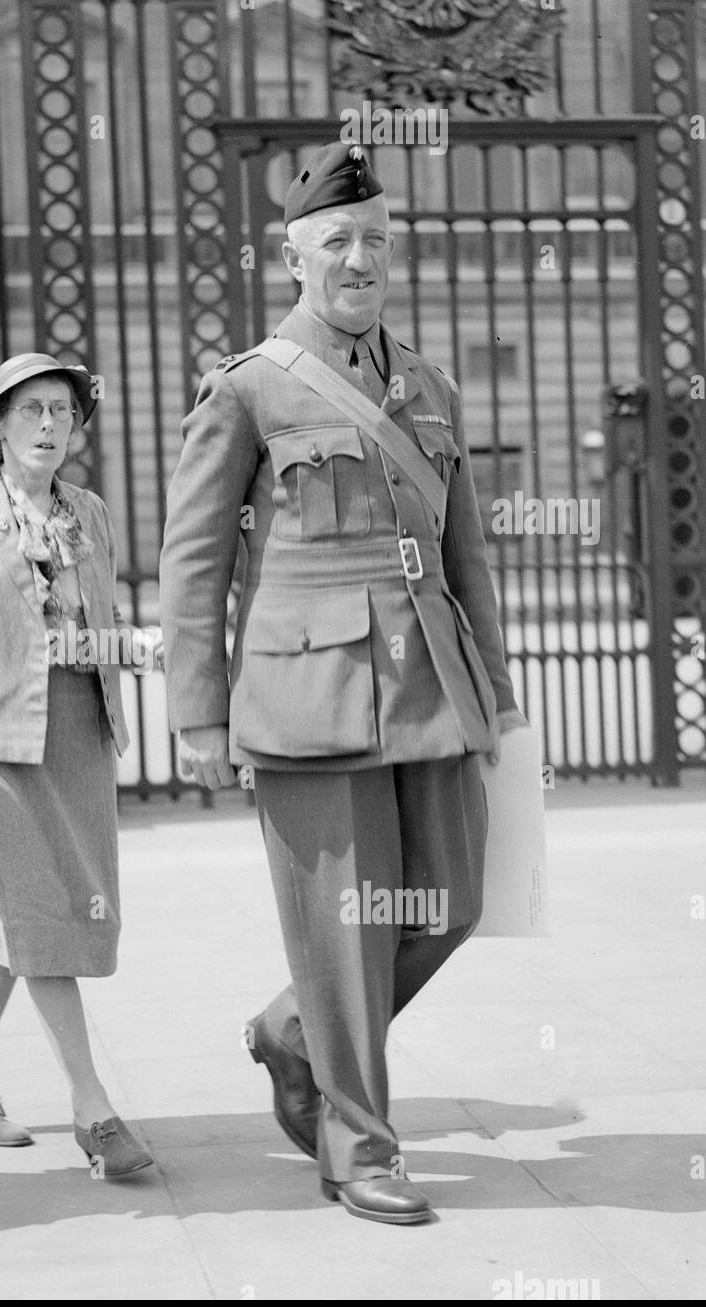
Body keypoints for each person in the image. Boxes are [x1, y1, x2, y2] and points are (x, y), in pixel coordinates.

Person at [159, 143, 527, 1224]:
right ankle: (358, 1146)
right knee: (344, 931)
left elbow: (467, 556)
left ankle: (289, 1031)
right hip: (307, 695)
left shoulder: (431, 383)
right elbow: (193, 559)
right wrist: (196, 711)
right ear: (293, 258)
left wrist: (493, 690)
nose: (357, 258)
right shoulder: (249, 389)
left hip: (431, 685)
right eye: (336, 242)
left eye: (374, 239)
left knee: (450, 902)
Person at [0, 352, 160, 1177]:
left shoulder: (87, 510)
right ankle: (93, 1109)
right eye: (32, 412)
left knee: (31, 913)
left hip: (77, 737)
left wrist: (140, 649)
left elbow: (93, 623)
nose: (50, 426)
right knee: (45, 918)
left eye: (63, 412)